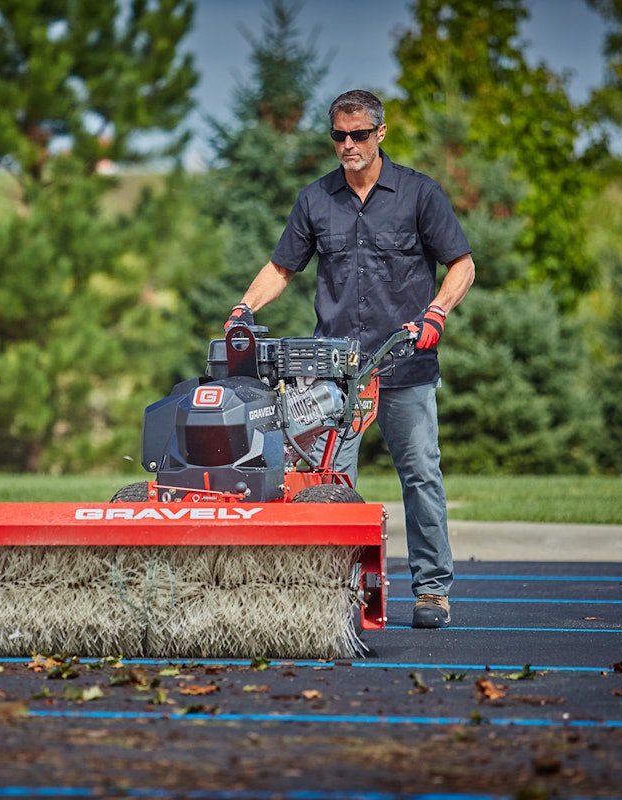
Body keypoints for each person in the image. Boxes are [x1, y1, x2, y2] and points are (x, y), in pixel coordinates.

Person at [225, 89, 475, 629]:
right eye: (339, 135)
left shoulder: (418, 194)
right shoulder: (316, 200)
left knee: (421, 475)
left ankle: (432, 591)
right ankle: (336, 597)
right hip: (333, 376)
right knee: (329, 482)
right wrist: (244, 308)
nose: (348, 145)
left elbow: (462, 265)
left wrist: (436, 313)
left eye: (358, 134)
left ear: (380, 134)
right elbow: (282, 268)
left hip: (404, 365)